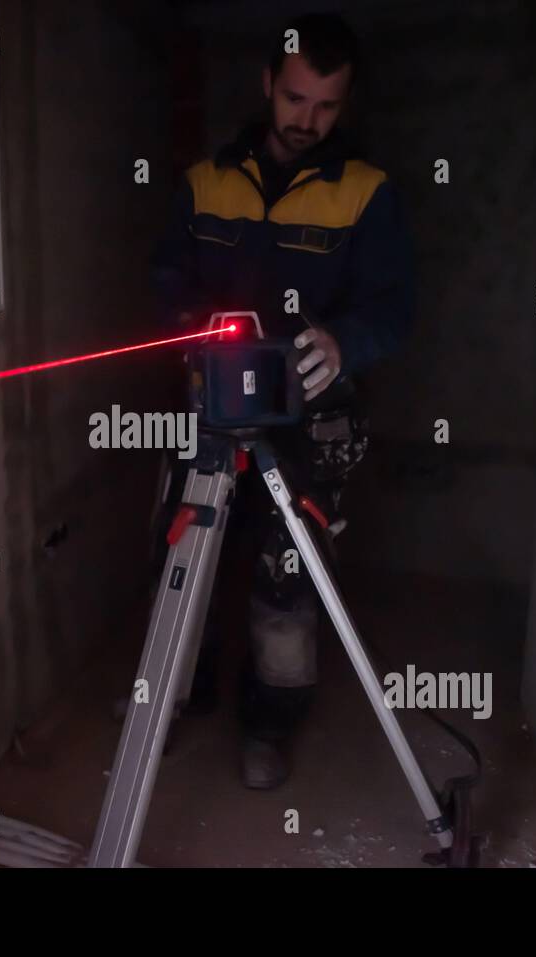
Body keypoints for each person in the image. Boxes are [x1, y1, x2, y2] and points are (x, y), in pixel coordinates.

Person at [148, 12, 416, 789]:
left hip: (311, 417)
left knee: (285, 574)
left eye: (328, 106)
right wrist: (190, 323)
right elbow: (167, 275)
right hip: (211, 403)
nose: (308, 120)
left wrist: (345, 344)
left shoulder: (366, 194)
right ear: (268, 84)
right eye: (296, 98)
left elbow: (395, 307)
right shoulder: (206, 181)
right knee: (182, 550)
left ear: (347, 102)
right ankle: (175, 694)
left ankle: (271, 721)